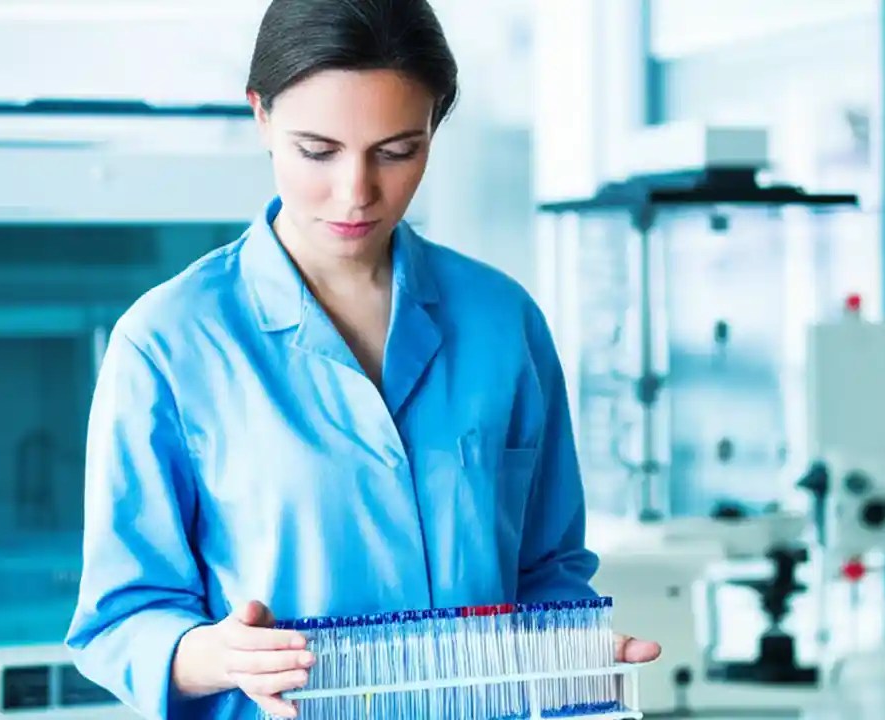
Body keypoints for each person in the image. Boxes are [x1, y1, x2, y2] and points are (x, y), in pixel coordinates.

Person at [65, 0, 661, 718]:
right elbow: (121, 620)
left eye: (397, 150)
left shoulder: (504, 323)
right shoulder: (167, 343)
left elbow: (547, 571)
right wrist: (215, 655)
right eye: (318, 150)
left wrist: (578, 661)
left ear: (435, 123)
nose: (356, 192)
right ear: (261, 116)